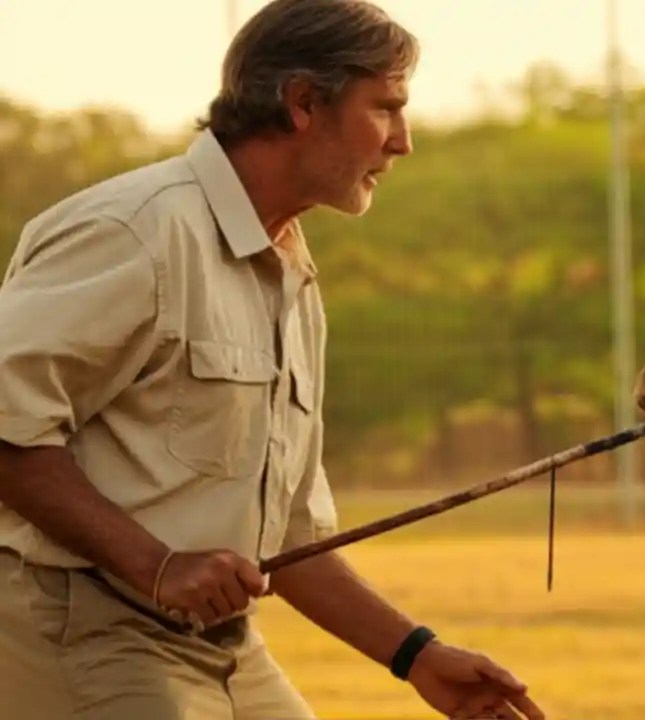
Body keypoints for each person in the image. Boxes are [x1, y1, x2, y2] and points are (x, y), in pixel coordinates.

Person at [0, 1, 544, 718]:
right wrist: (155, 566)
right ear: (303, 103)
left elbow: (289, 538)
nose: (403, 142)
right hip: (78, 630)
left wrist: (418, 656)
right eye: (386, 108)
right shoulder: (136, 232)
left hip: (224, 646)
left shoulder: (288, 269)